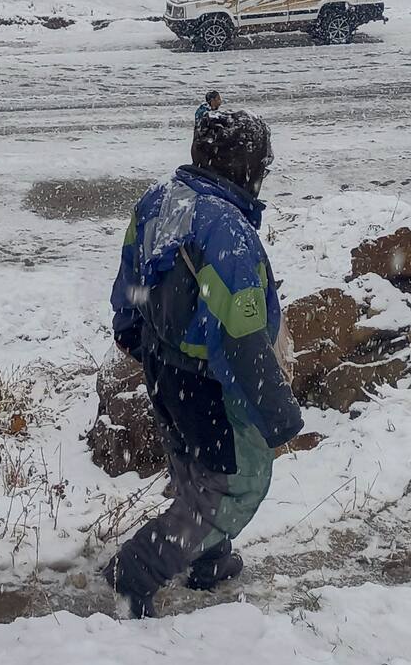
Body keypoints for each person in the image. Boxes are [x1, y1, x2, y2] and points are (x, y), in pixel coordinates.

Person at [104, 109, 305, 619]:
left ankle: (208, 559)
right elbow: (239, 337)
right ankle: (140, 566)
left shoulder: (160, 198)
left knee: (194, 465)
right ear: (247, 168)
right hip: (207, 377)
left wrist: (130, 327)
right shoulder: (227, 230)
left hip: (161, 362)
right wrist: (277, 413)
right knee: (231, 483)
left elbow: (133, 268)